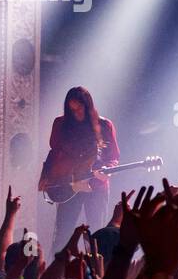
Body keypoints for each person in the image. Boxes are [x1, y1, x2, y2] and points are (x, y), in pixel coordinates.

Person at [38, 87, 119, 250]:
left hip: (96, 186)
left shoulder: (104, 125)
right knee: (63, 233)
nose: (76, 113)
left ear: (88, 106)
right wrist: (45, 175)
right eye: (72, 110)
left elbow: (113, 157)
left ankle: (97, 271)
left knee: (97, 233)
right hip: (70, 183)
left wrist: (107, 171)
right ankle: (58, 269)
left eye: (79, 108)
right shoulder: (61, 124)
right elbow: (54, 152)